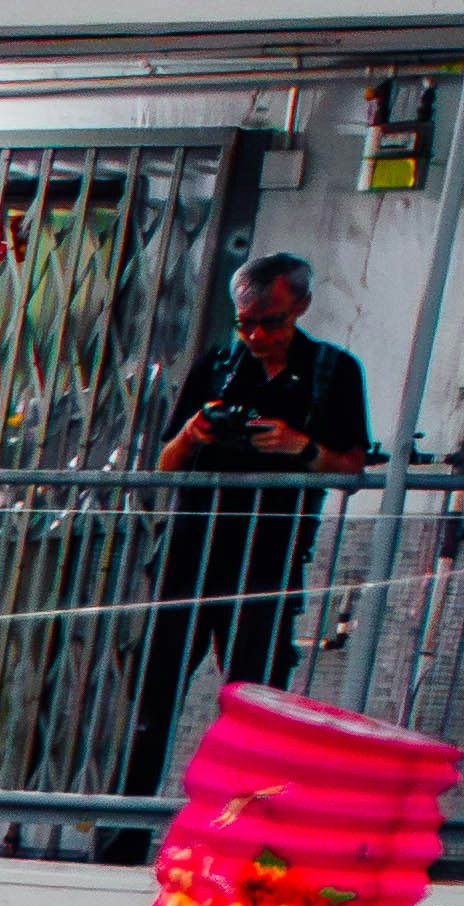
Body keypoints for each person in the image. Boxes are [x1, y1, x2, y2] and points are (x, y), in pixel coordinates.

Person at [117, 251, 377, 839]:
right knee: (150, 704)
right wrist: (192, 433)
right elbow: (164, 464)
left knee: (256, 713)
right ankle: (121, 835)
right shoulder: (217, 364)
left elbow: (352, 467)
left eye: (272, 322)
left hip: (268, 563)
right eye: (246, 323)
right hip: (188, 556)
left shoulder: (333, 371)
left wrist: (301, 450)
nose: (257, 335)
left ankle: (235, 842)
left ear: (301, 308)